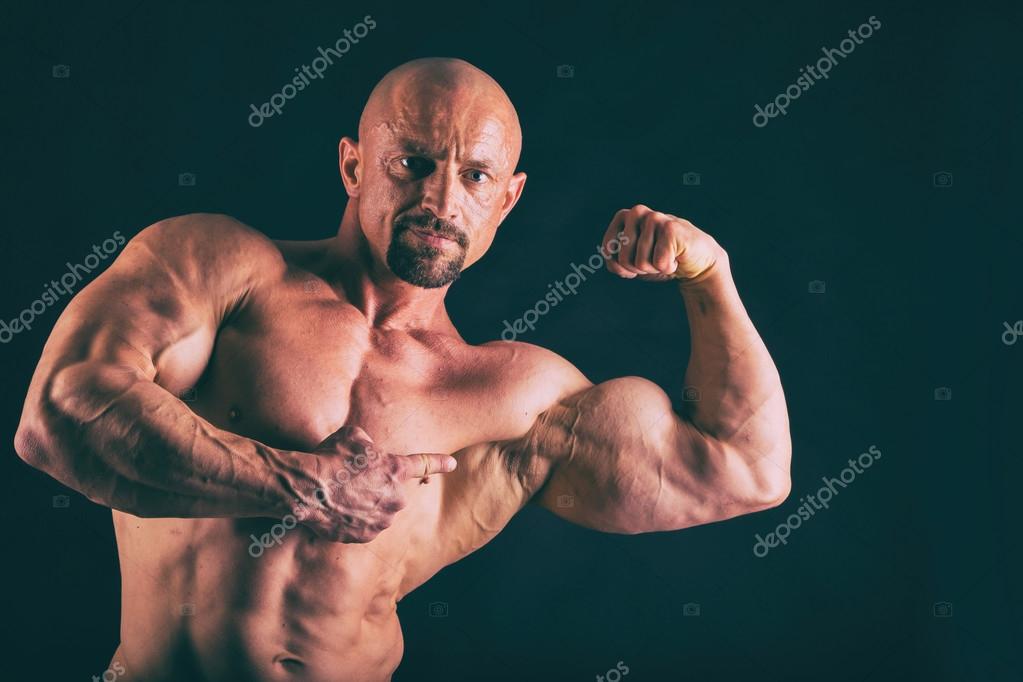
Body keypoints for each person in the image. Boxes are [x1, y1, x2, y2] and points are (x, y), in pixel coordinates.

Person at [15, 57, 791, 681]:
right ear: (354, 166)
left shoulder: (512, 394)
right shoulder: (221, 267)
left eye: (475, 176)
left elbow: (744, 470)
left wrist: (709, 277)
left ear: (507, 200)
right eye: (411, 162)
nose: (439, 198)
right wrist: (299, 486)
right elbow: (60, 415)